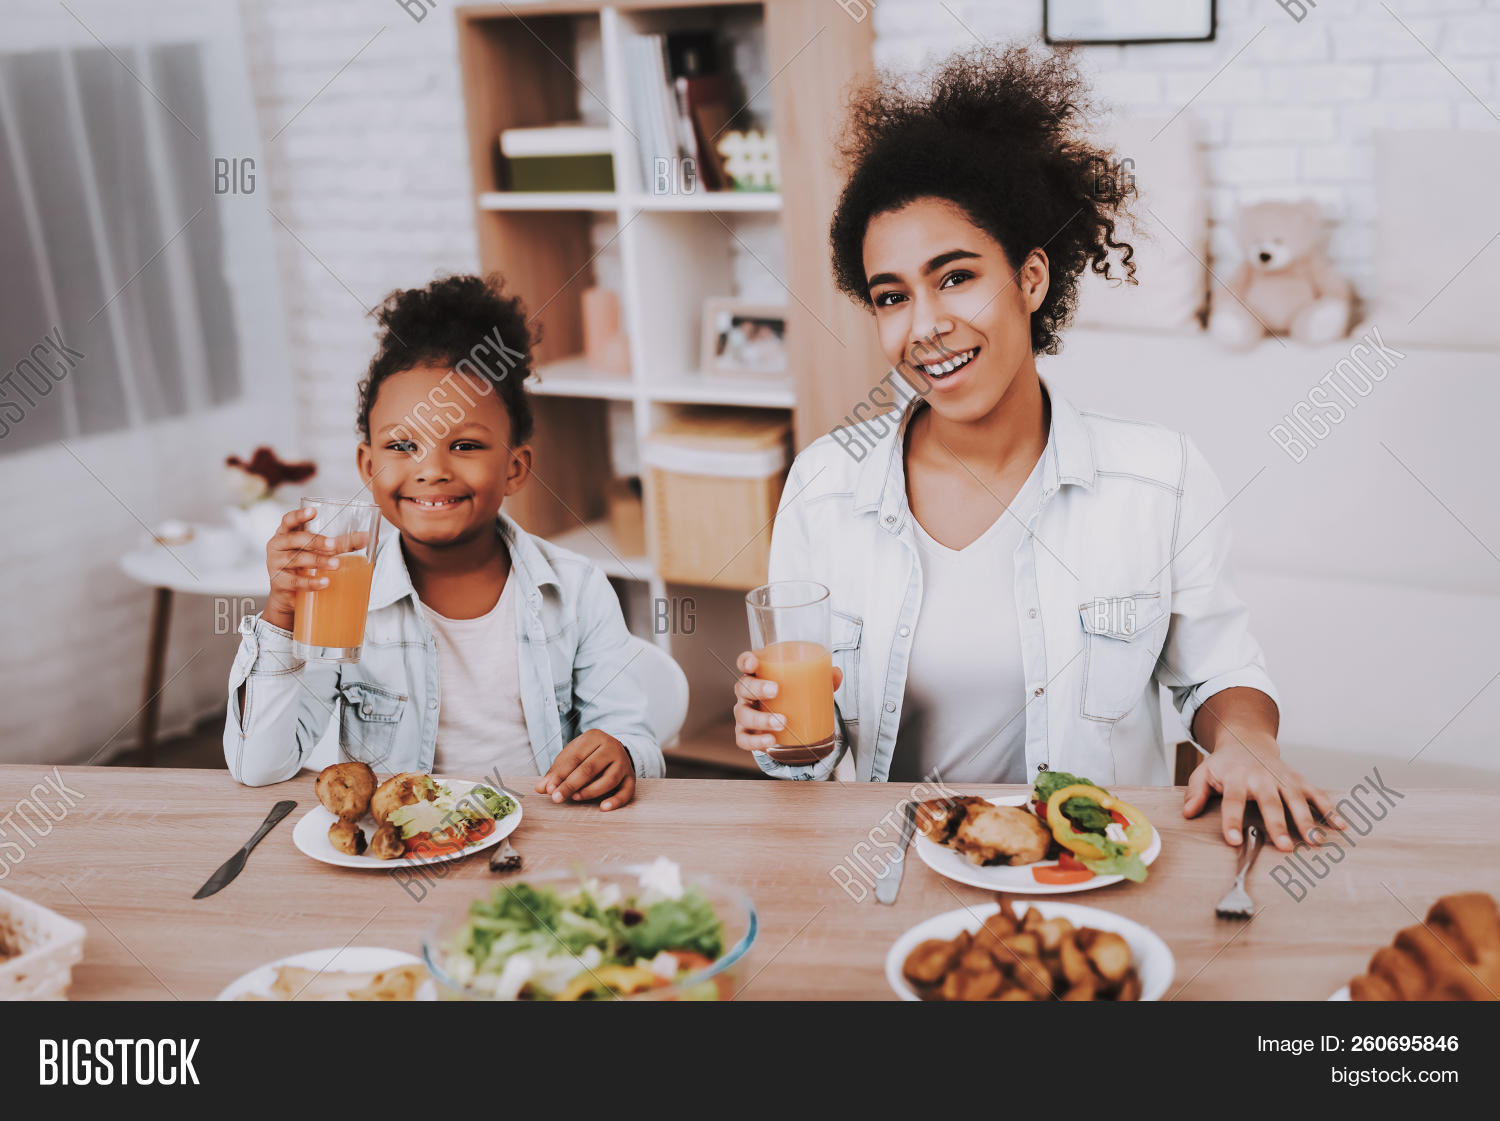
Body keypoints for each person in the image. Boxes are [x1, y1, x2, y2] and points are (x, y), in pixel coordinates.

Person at [731, 44, 1342, 852]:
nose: (925, 326)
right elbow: (806, 765)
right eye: (892, 296)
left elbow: (1216, 672)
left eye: (955, 277)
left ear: (1029, 278)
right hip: (902, 878)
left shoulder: (1158, 479)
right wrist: (777, 736)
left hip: (1089, 874)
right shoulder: (824, 488)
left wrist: (1247, 742)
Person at [224, 274, 659, 809]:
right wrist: (282, 614)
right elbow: (258, 766)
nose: (431, 469)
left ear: (516, 468)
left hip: (544, 838)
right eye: (402, 445)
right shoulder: (338, 597)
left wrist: (620, 752)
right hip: (402, 847)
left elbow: (636, 741)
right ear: (367, 465)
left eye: (467, 444)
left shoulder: (578, 588)